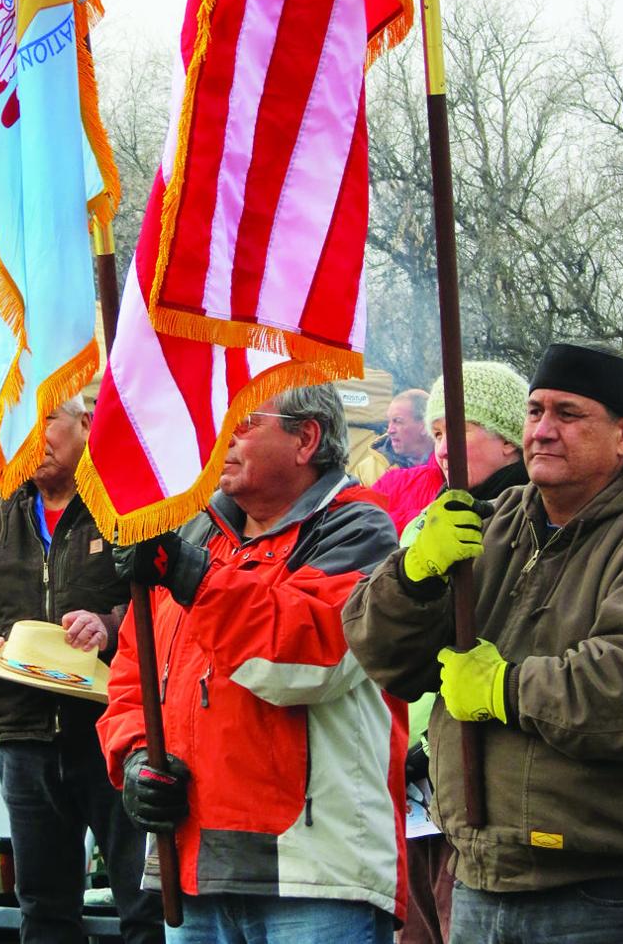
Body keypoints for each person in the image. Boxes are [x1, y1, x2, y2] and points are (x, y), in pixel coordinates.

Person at [343, 341, 623, 944]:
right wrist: (413, 577)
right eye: (534, 412)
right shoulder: (493, 523)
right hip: (479, 876)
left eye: (568, 415)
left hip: (606, 892)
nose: (543, 431)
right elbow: (385, 655)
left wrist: (503, 687)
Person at [99, 383, 406, 944]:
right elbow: (131, 673)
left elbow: (309, 661)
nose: (221, 438)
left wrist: (192, 577)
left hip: (315, 877)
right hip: (193, 866)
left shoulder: (360, 530)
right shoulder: (194, 534)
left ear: (305, 439)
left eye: (242, 423)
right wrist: (138, 757)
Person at [0, 395, 162, 944]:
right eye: (19, 426)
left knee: (145, 907)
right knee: (44, 911)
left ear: (88, 423)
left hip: (119, 735)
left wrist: (109, 624)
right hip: (24, 738)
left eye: (47, 419)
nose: (34, 437)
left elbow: (173, 605)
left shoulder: (134, 511)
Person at [401, 361, 529, 944]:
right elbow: (396, 652)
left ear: (508, 436)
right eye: (434, 436)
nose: (443, 450)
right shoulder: (431, 522)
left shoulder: (538, 521)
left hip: (495, 793)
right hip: (425, 783)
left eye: (458, 429)